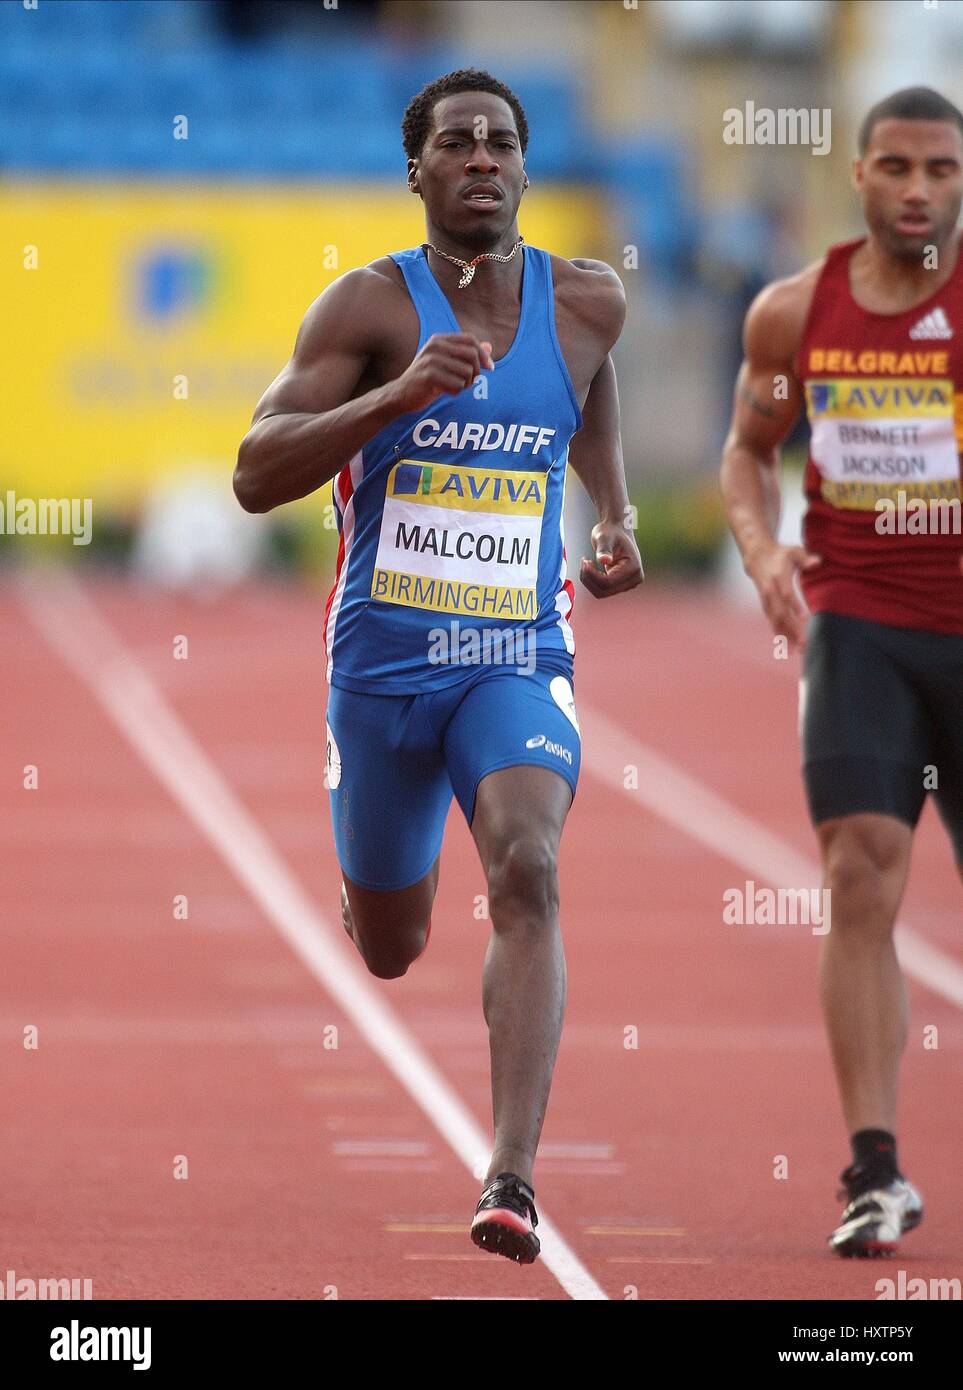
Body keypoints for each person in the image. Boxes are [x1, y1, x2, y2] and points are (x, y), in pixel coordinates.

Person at [234, 68, 642, 1263]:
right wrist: (398, 395)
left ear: (524, 165)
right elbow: (256, 473)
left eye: (501, 142)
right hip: (381, 669)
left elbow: (590, 381)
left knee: (528, 863)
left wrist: (610, 511)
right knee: (391, 946)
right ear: (413, 171)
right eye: (454, 142)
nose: (480, 158)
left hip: (512, 652)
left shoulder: (587, 300)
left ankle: (511, 1173)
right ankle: (374, 890)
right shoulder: (367, 309)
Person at [721, 87, 963, 1258]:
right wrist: (765, 552)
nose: (922, 189)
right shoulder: (792, 314)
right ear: (859, 177)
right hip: (860, 621)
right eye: (900, 167)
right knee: (859, 873)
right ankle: (875, 1168)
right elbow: (747, 451)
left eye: (945, 170)